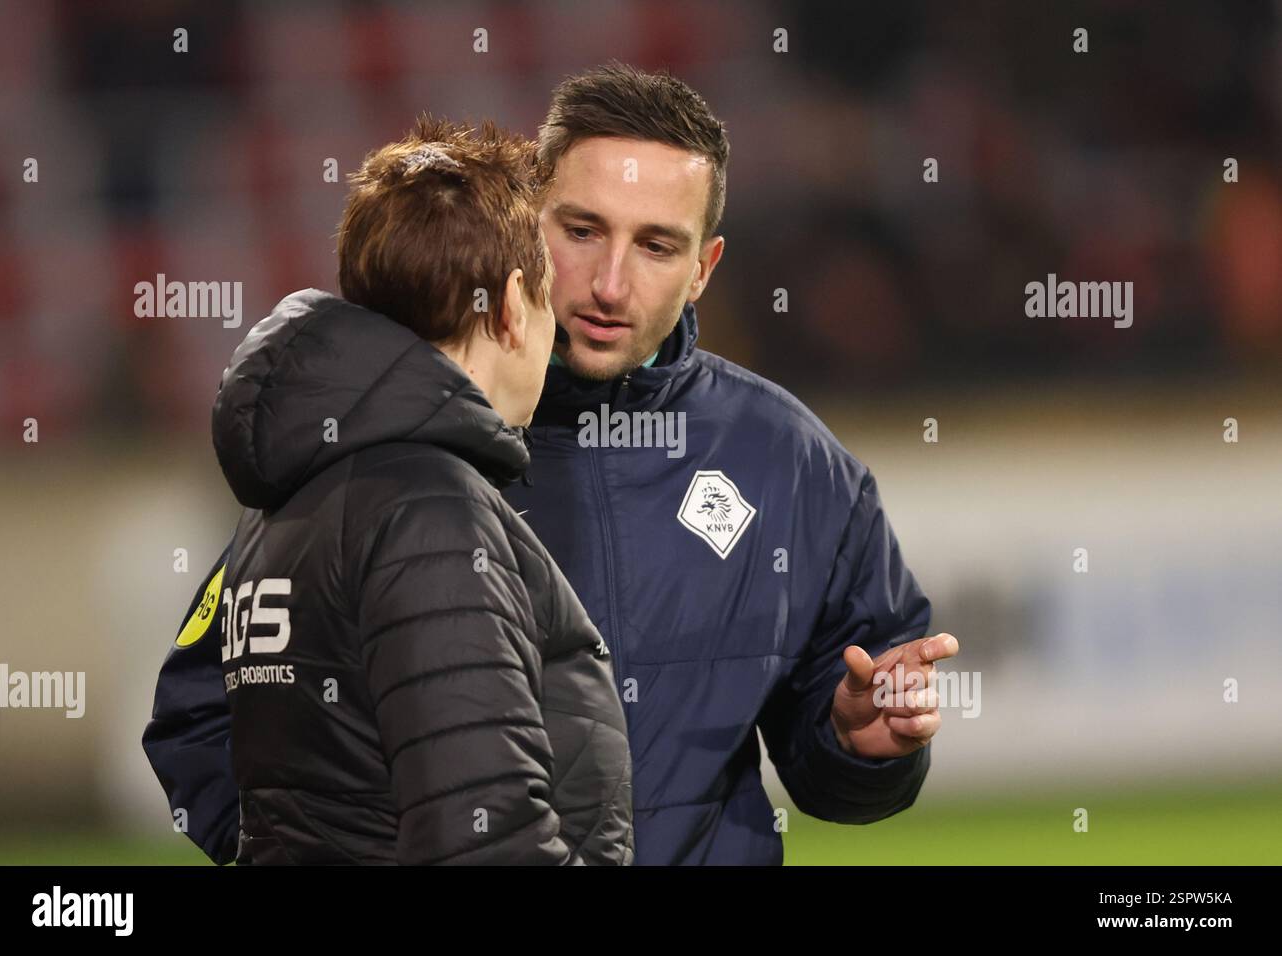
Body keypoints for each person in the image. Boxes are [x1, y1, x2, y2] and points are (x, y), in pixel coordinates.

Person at [145, 63, 958, 866]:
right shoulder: (390, 453)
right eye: (582, 231)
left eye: (655, 246)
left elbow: (846, 739)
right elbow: (198, 717)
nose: (610, 284)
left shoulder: (788, 458)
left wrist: (862, 744)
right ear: (527, 226)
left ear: (703, 268)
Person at [162, 117, 633, 865]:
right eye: (550, 302)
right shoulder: (431, 513)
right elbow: (483, 838)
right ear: (512, 304)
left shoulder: (284, 504)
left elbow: (190, 729)